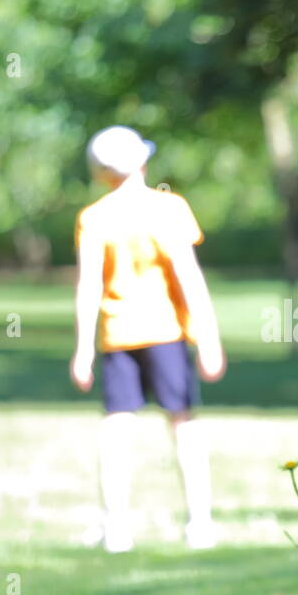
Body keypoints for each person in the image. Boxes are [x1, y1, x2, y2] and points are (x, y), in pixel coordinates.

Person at [70, 125, 226, 552]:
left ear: (100, 173)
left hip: (117, 336)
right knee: (183, 424)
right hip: (167, 334)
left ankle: (116, 527)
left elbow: (89, 287)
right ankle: (200, 522)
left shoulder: (94, 217)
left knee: (117, 427)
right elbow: (189, 277)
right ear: (142, 162)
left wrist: (83, 351)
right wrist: (210, 340)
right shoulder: (168, 207)